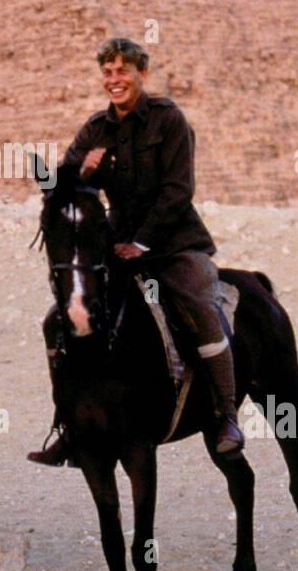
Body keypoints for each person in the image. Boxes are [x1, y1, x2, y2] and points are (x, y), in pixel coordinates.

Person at [28, 37, 243, 466]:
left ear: (142, 74)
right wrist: (79, 172)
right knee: (59, 320)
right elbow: (64, 191)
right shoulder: (95, 129)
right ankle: (71, 424)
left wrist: (141, 241)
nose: (115, 80)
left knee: (199, 305)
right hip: (116, 246)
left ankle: (225, 414)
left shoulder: (168, 120)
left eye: (123, 71)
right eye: (108, 72)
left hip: (174, 244)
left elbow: (178, 190)